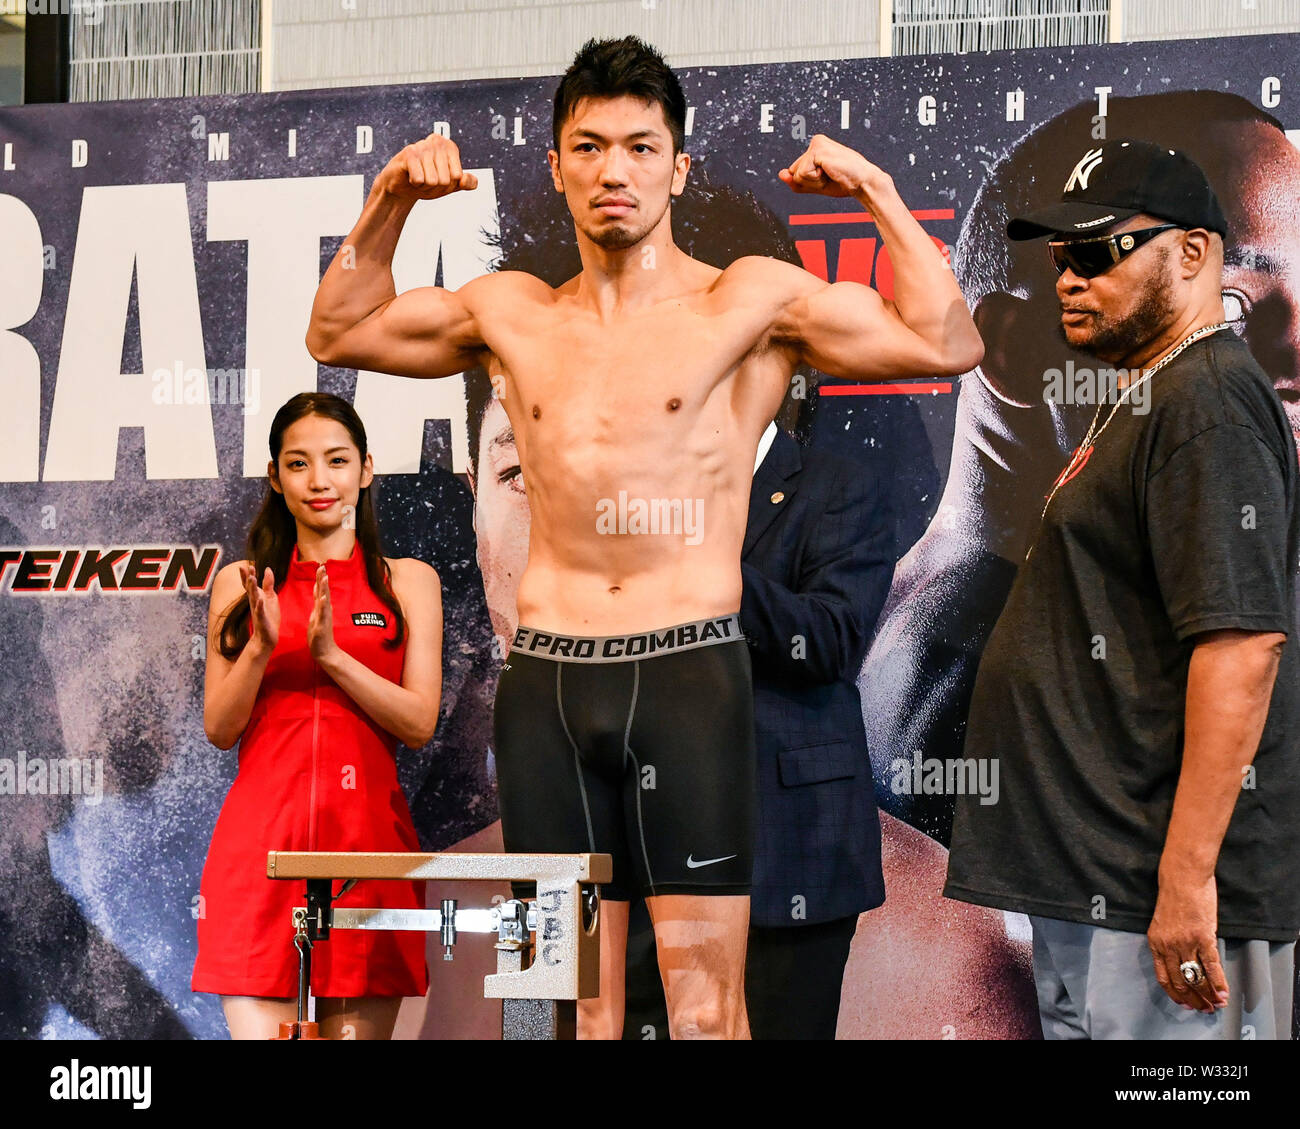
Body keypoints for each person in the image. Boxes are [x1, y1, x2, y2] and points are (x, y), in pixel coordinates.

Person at [306, 36, 981, 1039]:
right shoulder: (513, 314)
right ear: (556, 165)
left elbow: (945, 339)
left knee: (706, 1002)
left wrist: (875, 190)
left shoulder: (745, 301)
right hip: (544, 694)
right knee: (564, 999)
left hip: (686, 679)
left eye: (637, 145)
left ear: (678, 161)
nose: (612, 170)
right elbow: (339, 331)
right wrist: (392, 197)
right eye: (587, 147)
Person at [943, 138, 1300, 1039]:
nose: (1070, 276)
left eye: (1100, 250)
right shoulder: (1152, 396)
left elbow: (1242, 645)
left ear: (1192, 254)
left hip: (1154, 898)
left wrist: (1185, 880)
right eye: (1060, 255)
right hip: (1099, 885)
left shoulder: (1208, 401)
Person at [192, 392, 443, 1040]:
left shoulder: (407, 582)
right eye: (299, 463)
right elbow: (219, 727)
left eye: (336, 459)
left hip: (370, 853)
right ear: (276, 477)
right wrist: (260, 648)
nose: (319, 479)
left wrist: (332, 655)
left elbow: (419, 722)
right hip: (260, 855)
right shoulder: (241, 583)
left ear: (365, 468)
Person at [741, 420, 891, 1039]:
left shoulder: (839, 486)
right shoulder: (639, 495)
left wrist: (701, 555)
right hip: (649, 844)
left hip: (791, 843)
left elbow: (831, 640)